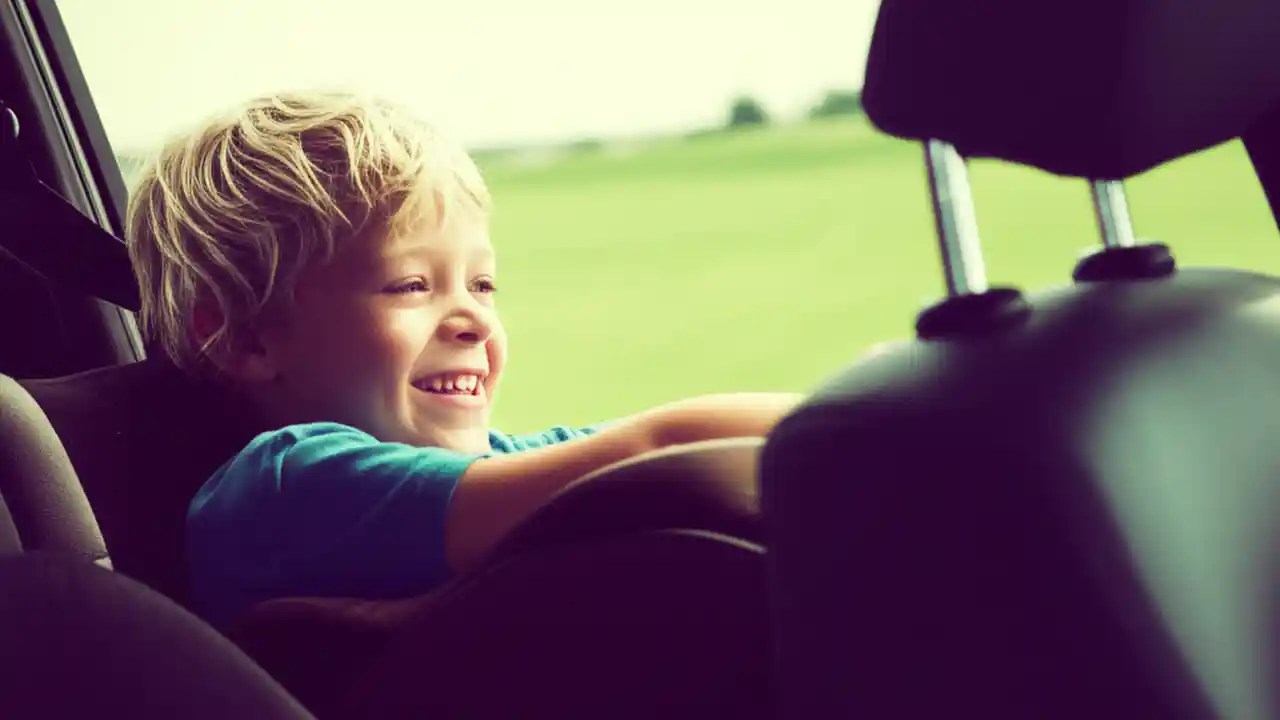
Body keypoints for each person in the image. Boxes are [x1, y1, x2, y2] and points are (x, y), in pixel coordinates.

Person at [124, 90, 800, 629]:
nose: (474, 318)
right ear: (248, 340)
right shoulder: (281, 488)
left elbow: (644, 452)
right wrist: (849, 425)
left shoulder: (479, 466)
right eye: (413, 285)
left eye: (482, 285)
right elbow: (652, 451)